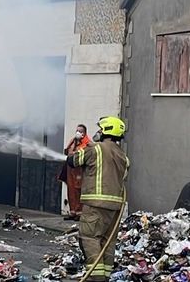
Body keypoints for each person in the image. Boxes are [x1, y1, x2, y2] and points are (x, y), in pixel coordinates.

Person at [67, 116, 129, 282]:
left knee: (89, 238)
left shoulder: (95, 149)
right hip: (115, 208)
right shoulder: (123, 156)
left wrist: (76, 145)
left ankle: (96, 278)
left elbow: (73, 161)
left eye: (101, 129)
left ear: (107, 131)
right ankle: (104, 277)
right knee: (107, 242)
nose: (98, 132)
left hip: (95, 205)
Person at [60, 124, 90, 220]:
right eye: (77, 130)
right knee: (71, 190)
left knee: (78, 191)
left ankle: (79, 213)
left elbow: (85, 154)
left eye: (80, 131)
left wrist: (74, 153)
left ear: (84, 133)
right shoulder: (73, 140)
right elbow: (67, 151)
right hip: (70, 169)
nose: (78, 132)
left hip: (79, 170)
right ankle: (72, 211)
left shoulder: (87, 143)